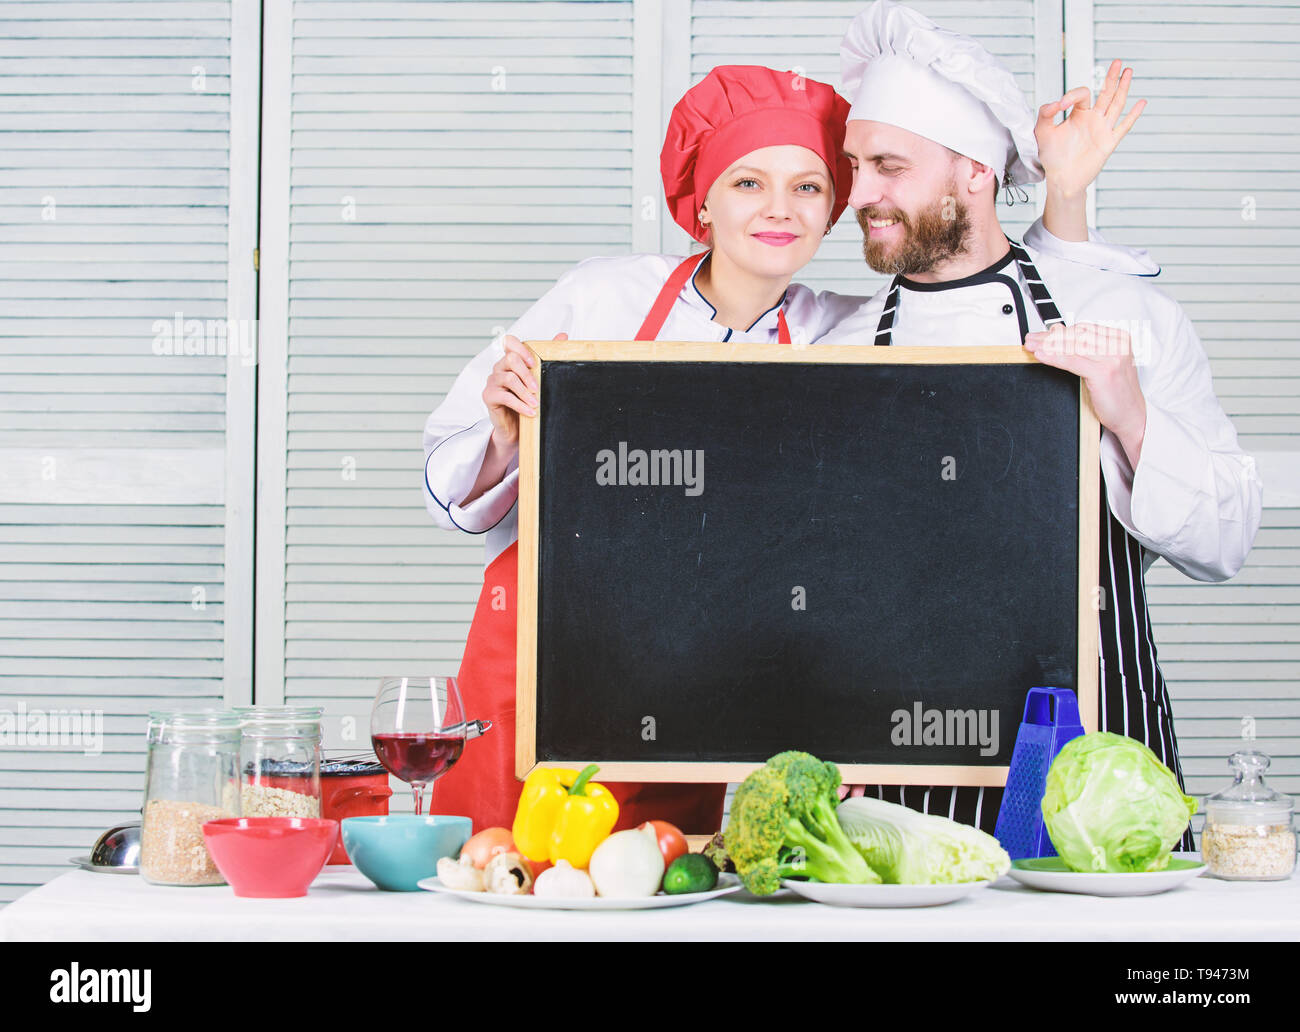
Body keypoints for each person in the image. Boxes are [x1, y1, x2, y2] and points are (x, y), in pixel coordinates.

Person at [423, 62, 1150, 835]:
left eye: (807, 187)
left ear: (835, 205)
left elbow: (979, 292)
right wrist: (503, 437)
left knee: (662, 880)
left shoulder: (838, 331)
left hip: (684, 683)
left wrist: (1062, 198)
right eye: (747, 184)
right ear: (700, 200)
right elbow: (449, 482)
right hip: (543, 666)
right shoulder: (601, 296)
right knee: (500, 883)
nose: (780, 210)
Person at [820, 0, 1263, 850]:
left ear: (974, 175)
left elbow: (1227, 540)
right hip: (897, 789)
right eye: (853, 163)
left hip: (1097, 771)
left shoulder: (1122, 314)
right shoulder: (838, 341)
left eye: (886, 165)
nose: (859, 193)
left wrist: (1130, 415)